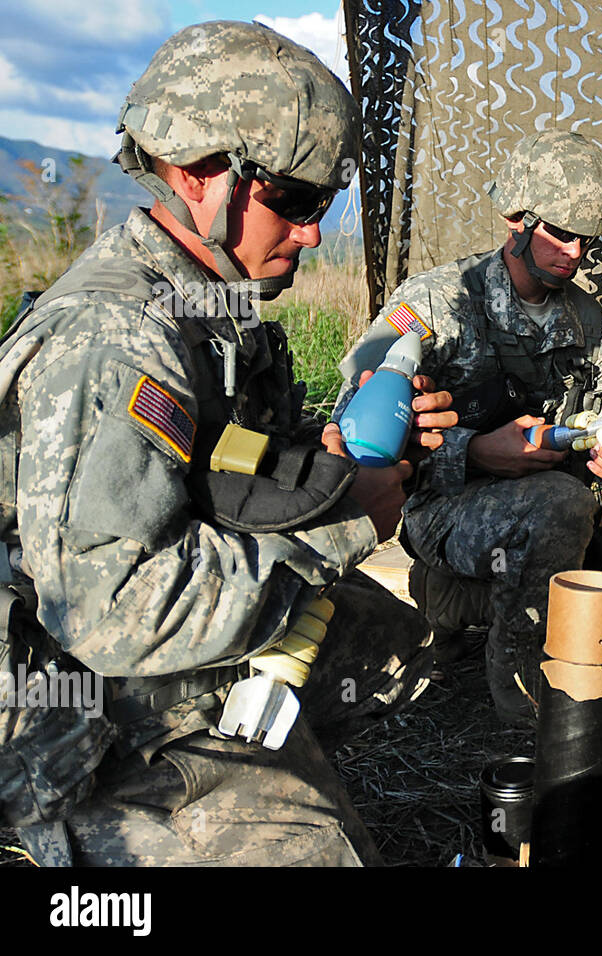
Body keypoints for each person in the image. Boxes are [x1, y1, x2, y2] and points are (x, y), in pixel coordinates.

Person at [0, 21, 457, 866]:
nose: (314, 232)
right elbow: (115, 608)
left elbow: (220, 472)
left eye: (326, 204)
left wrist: (329, 465)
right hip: (66, 714)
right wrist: (342, 523)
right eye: (294, 201)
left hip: (127, 653)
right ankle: (102, 832)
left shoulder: (211, 308)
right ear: (195, 173)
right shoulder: (114, 339)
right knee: (319, 857)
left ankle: (259, 757)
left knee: (387, 643)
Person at [335, 129, 602, 724]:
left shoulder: (592, 324)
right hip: (443, 510)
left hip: (552, 517)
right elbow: (351, 426)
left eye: (587, 240)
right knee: (561, 508)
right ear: (517, 220)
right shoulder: (435, 304)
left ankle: (455, 600)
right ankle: (523, 681)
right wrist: (475, 451)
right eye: (560, 233)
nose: (575, 254)